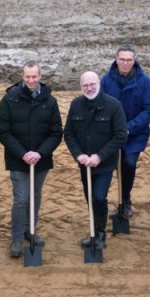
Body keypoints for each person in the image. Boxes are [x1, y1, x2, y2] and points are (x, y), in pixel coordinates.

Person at [0, 60, 63, 259]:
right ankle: (16, 237)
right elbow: (3, 131)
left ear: (40, 77)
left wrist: (40, 153)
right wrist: (22, 153)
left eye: (34, 77)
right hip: (18, 160)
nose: (31, 80)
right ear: (22, 77)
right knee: (21, 199)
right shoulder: (10, 99)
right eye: (27, 77)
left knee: (35, 195)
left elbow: (56, 132)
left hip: (41, 160)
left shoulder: (50, 101)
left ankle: (29, 230)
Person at [64, 70, 128, 249]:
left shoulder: (113, 105)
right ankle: (94, 230)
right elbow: (69, 133)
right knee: (90, 198)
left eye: (92, 84)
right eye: (85, 85)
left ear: (99, 83)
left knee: (99, 197)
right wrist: (79, 155)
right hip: (85, 164)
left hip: (105, 164)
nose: (89, 88)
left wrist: (100, 156)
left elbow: (120, 136)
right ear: (81, 86)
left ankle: (100, 235)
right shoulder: (76, 104)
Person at [100, 46, 150, 222]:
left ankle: (126, 200)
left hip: (134, 134)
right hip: (111, 134)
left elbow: (148, 109)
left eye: (129, 60)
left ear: (134, 60)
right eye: (122, 59)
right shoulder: (106, 81)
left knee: (128, 163)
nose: (125, 63)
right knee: (111, 167)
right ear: (116, 59)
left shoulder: (144, 81)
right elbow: (100, 106)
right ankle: (103, 202)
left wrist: (130, 127)